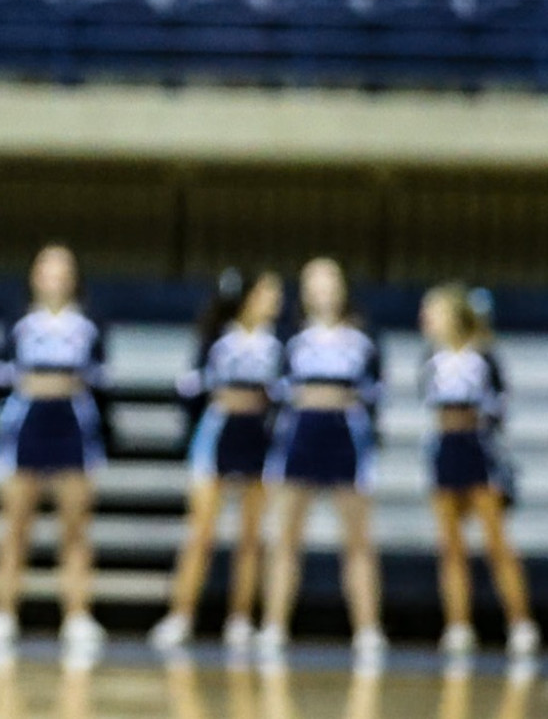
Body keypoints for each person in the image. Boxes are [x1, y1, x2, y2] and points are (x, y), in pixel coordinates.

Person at [256, 258, 387, 667]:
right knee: (287, 535)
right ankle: (274, 625)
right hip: (300, 435)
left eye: (331, 280)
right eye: (315, 282)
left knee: (358, 538)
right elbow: (274, 391)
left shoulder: (362, 338)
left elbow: (375, 391)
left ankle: (367, 629)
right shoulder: (289, 339)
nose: (324, 289)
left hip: (346, 435)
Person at [0, 244, 107, 662]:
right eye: (46, 268)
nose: (54, 277)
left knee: (74, 527)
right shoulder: (18, 322)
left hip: (72, 424)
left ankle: (77, 615)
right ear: (34, 276)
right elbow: (1, 375)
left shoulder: (89, 324)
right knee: (16, 525)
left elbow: (101, 377)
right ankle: (3, 613)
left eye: (62, 269)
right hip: (27, 423)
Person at [150, 269, 284, 655]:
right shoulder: (217, 338)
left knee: (250, 536)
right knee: (202, 532)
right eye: (266, 292)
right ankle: (181, 615)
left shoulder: (280, 343)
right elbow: (190, 386)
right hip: (219, 433)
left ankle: (240, 619)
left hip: (258, 436)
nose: (274, 300)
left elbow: (285, 390)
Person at [418, 284, 537, 659]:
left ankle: (520, 623)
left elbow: (498, 405)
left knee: (496, 541)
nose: (426, 318)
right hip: (445, 448)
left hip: (478, 448)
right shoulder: (431, 358)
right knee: (450, 545)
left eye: (433, 310)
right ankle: (458, 625)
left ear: (453, 314)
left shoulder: (483, 357)